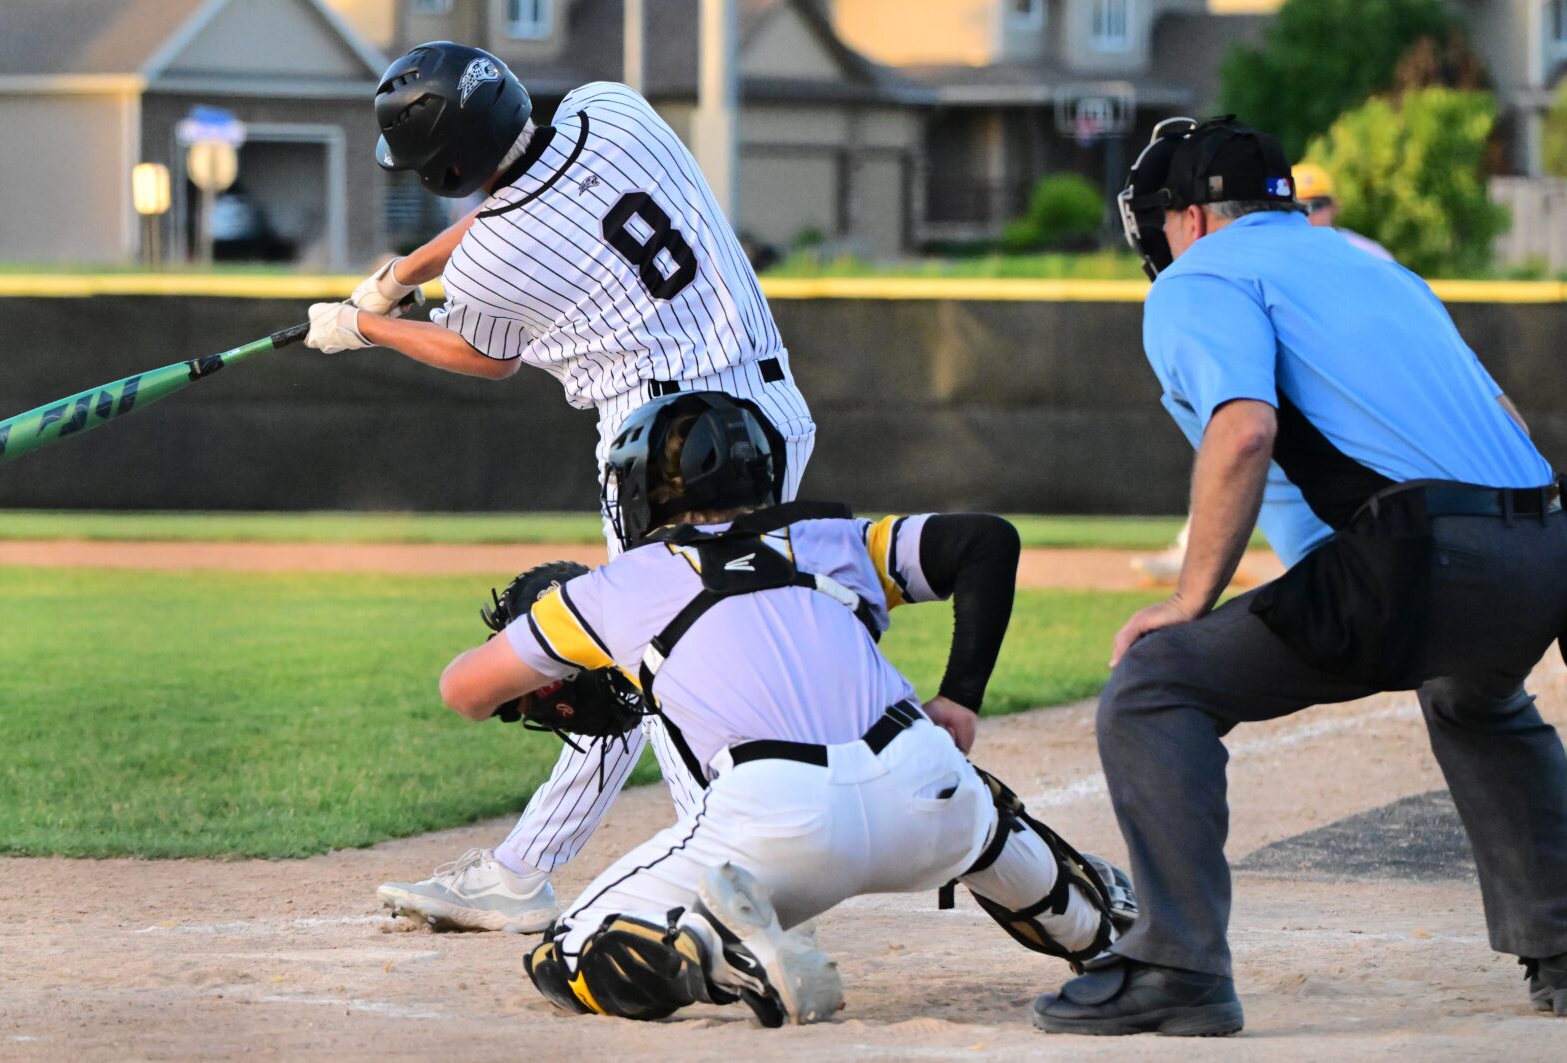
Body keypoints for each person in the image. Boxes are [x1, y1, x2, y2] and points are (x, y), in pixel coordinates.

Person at [1033, 116, 1567, 1036]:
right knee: (1475, 695)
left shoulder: (1201, 274)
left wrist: (1188, 599)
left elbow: (1244, 431)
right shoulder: (1373, 265)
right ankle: (1562, 942)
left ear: (1193, 218)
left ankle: (1177, 965)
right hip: (1548, 541)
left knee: (1155, 686)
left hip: (1429, 556)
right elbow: (1509, 421)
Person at [305, 42, 817, 932]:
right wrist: (400, 276)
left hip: (670, 452)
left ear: (449, 165)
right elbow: (520, 198)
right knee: (669, 645)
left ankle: (720, 878)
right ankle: (525, 867)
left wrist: (367, 328)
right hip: (770, 416)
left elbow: (486, 354)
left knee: (646, 655)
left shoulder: (495, 258)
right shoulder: (611, 106)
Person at [434, 391, 1136, 1026]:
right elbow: (987, 540)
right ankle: (1103, 935)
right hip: (923, 781)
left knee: (565, 955)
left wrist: (550, 642)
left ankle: (721, 954)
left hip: (774, 822)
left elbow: (462, 691)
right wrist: (959, 696)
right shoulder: (828, 538)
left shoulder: (616, 588)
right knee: (978, 815)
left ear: (645, 492)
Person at [1127, 162, 1396, 585]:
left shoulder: (1365, 253)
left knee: (1243, 435)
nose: (1311, 213)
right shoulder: (1269, 254)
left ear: (1335, 207)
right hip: (1297, 377)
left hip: (1351, 386)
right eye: (1303, 204)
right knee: (1232, 429)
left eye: (1319, 204)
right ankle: (1195, 549)